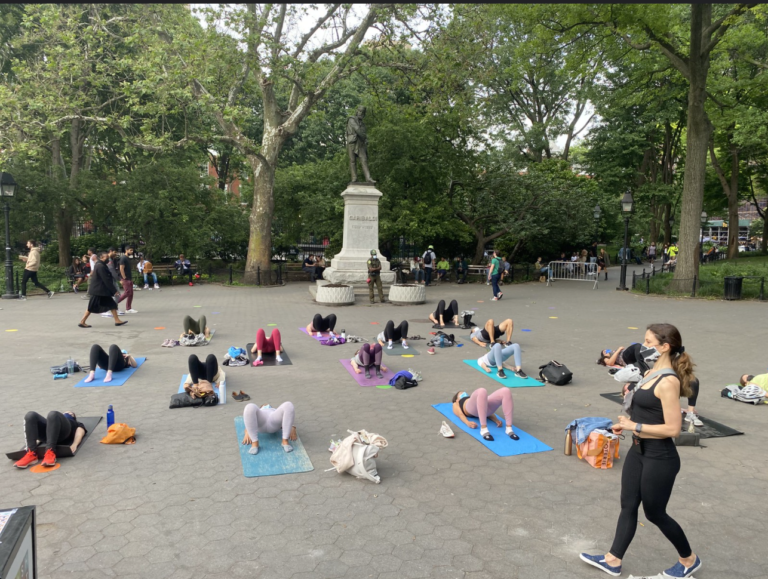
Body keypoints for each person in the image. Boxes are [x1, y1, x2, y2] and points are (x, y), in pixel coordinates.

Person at [580, 323, 700, 579]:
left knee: (655, 513)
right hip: (638, 450)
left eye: (648, 342)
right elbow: (648, 411)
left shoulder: (668, 381)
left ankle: (689, 560)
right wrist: (625, 424)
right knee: (628, 505)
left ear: (664, 347)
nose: (643, 346)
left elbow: (673, 429)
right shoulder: (651, 372)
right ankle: (613, 560)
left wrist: (634, 425)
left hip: (660, 457)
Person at [14, 410, 87, 468]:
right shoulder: (52, 420)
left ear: (73, 416)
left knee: (53, 414)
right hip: (48, 435)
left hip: (63, 434)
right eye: (66, 412)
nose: (68, 412)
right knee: (30, 415)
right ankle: (31, 454)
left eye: (70, 413)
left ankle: (50, 452)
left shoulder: (74, 422)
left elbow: (80, 431)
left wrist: (75, 444)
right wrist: (33, 443)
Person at [79, 250, 127, 328]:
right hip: (98, 291)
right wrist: (114, 290)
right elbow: (106, 279)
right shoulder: (100, 266)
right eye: (106, 257)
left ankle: (117, 320)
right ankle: (82, 321)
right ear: (101, 257)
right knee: (91, 307)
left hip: (102, 290)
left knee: (112, 305)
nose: (108, 258)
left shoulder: (101, 265)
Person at [452, 388, 518, 441]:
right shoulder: (456, 403)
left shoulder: (475, 398)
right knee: (481, 391)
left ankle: (509, 428)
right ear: (457, 399)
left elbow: (484, 409)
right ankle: (483, 429)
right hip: (470, 409)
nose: (464, 393)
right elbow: (460, 414)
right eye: (461, 394)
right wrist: (467, 422)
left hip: (484, 405)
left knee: (506, 391)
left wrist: (496, 420)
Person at [346, 105, 373, 182]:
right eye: (360, 111)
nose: (361, 113)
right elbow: (357, 130)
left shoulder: (363, 125)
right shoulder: (351, 119)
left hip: (360, 143)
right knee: (352, 160)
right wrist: (364, 137)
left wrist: (365, 139)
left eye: (363, 112)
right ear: (357, 111)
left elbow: (363, 133)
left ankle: (368, 178)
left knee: (364, 159)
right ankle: (354, 178)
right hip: (352, 141)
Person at [117, 246, 138, 314]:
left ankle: (128, 308)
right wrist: (124, 278)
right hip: (125, 279)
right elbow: (121, 268)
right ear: (126, 250)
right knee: (127, 292)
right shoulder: (123, 258)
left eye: (132, 250)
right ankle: (113, 304)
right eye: (130, 250)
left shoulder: (128, 258)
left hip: (129, 278)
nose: (132, 251)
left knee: (131, 293)